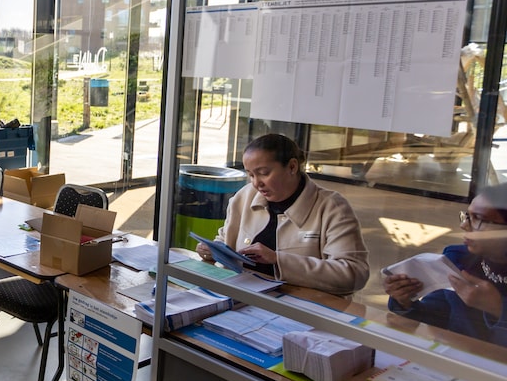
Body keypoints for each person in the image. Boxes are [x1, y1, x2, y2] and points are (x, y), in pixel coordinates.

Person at [196, 133, 370, 296]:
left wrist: (277, 259)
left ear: (292, 167)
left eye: (264, 173)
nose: (257, 183)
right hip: (244, 297)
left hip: (303, 307)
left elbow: (353, 274)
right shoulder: (245, 196)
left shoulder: (332, 207)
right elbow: (226, 240)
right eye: (250, 175)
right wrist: (212, 250)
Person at [384, 184, 507, 345]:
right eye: (467, 216)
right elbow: (434, 316)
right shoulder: (458, 260)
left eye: (478, 219)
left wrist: (498, 308)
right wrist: (404, 301)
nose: (464, 225)